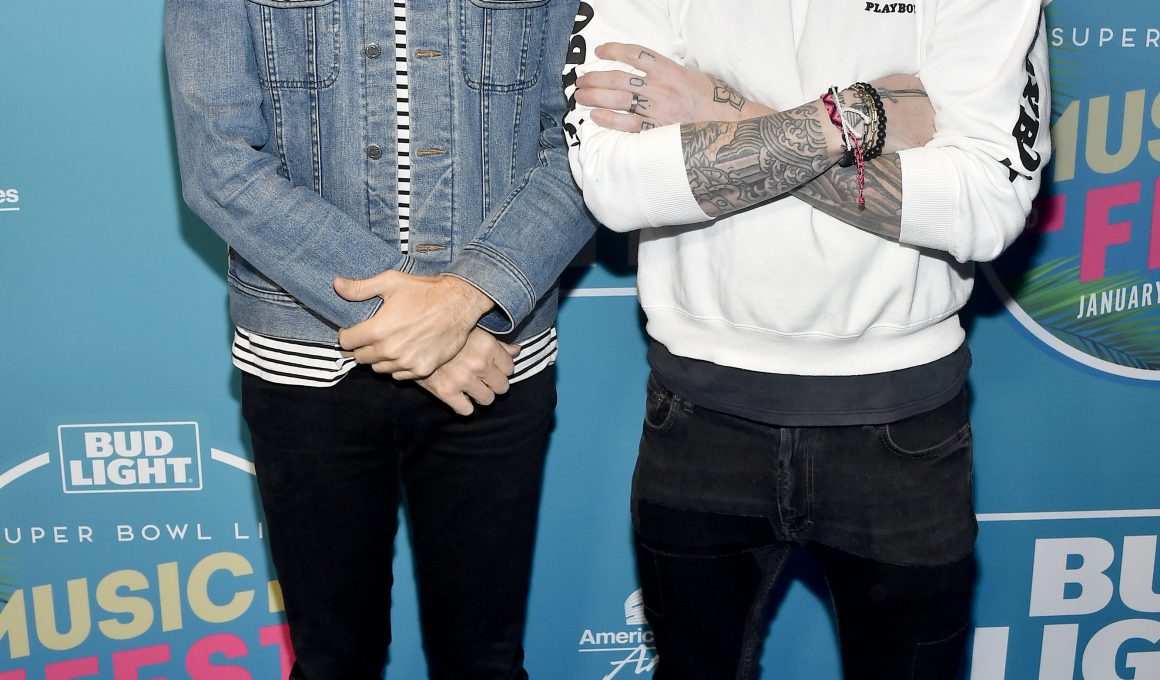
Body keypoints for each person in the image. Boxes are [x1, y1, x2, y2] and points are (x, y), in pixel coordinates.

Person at [565, 1, 1050, 678]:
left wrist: (717, 108)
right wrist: (859, 115)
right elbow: (617, 185)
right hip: (699, 418)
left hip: (902, 428)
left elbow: (987, 204)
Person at [165, 1, 595, 678]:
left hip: (493, 357)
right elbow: (218, 164)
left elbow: (587, 145)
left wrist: (465, 300)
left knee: (484, 663)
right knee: (332, 663)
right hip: (310, 360)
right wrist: (430, 321)